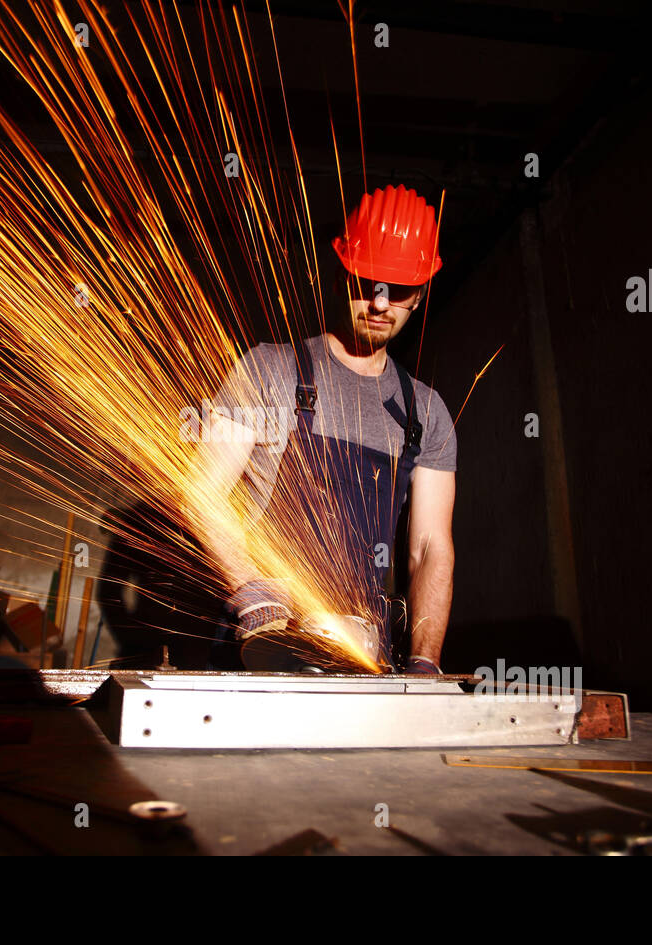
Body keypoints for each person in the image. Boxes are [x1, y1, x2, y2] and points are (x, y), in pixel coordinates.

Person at [192, 184, 457, 673]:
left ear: (419, 296)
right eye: (367, 282)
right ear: (341, 277)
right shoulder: (271, 370)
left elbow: (428, 548)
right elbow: (201, 496)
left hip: (360, 651)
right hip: (261, 643)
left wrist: (425, 660)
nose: (379, 304)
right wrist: (251, 588)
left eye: (396, 290)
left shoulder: (426, 412)